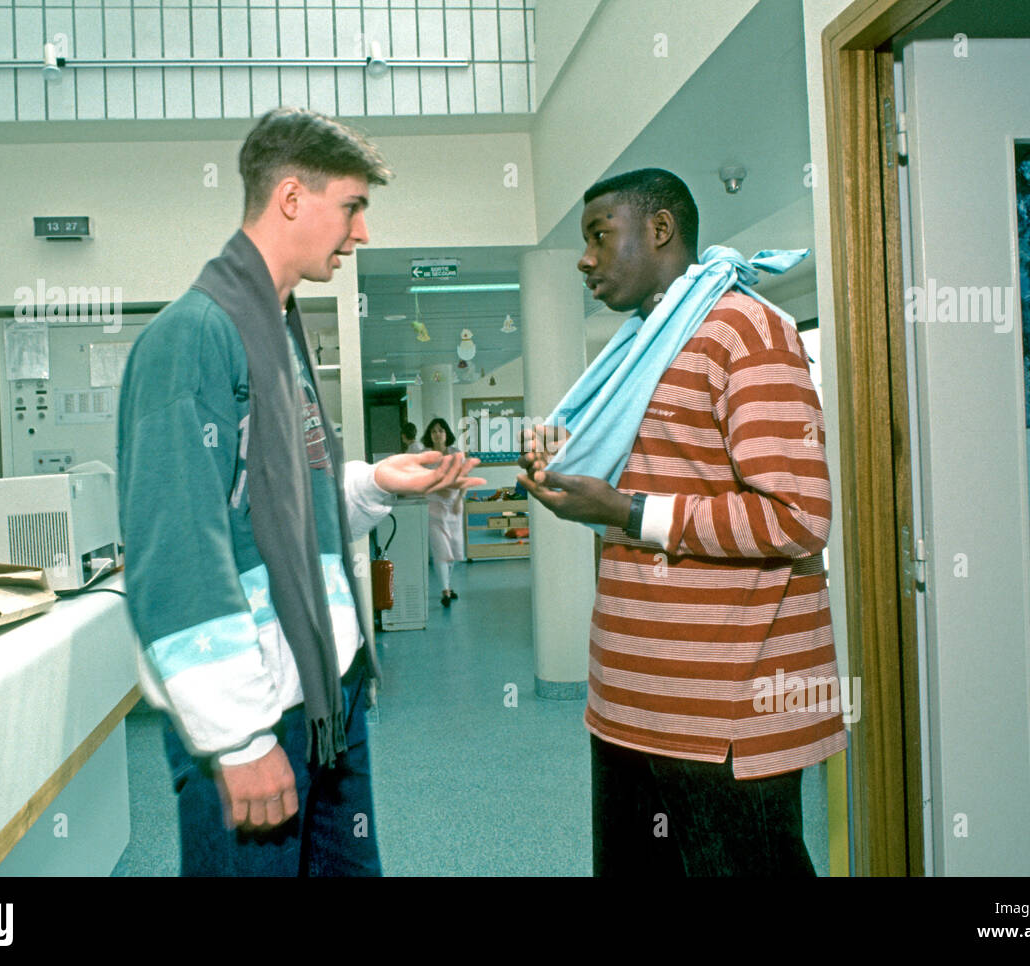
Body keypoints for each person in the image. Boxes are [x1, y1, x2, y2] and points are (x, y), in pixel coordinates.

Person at [118, 107, 483, 876]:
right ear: (291, 197)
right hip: (255, 713)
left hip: (324, 696)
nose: (362, 233)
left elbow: (279, 509)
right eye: (352, 207)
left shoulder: (279, 329)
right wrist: (241, 740)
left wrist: (378, 482)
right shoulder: (192, 339)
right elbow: (177, 552)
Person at [518, 168, 846, 877]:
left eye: (599, 236)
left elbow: (798, 516)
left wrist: (625, 512)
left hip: (724, 714)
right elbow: (659, 487)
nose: (584, 259)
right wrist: (582, 485)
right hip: (629, 705)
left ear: (660, 230)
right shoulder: (642, 351)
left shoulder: (747, 331)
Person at [423, 417, 464, 607]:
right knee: (440, 548)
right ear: (429, 436)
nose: (437, 434)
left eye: (440, 430)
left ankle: (449, 584)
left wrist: (459, 499)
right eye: (433, 431)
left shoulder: (456, 454)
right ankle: (445, 590)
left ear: (446, 434)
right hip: (435, 506)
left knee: (454, 548)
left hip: (454, 505)